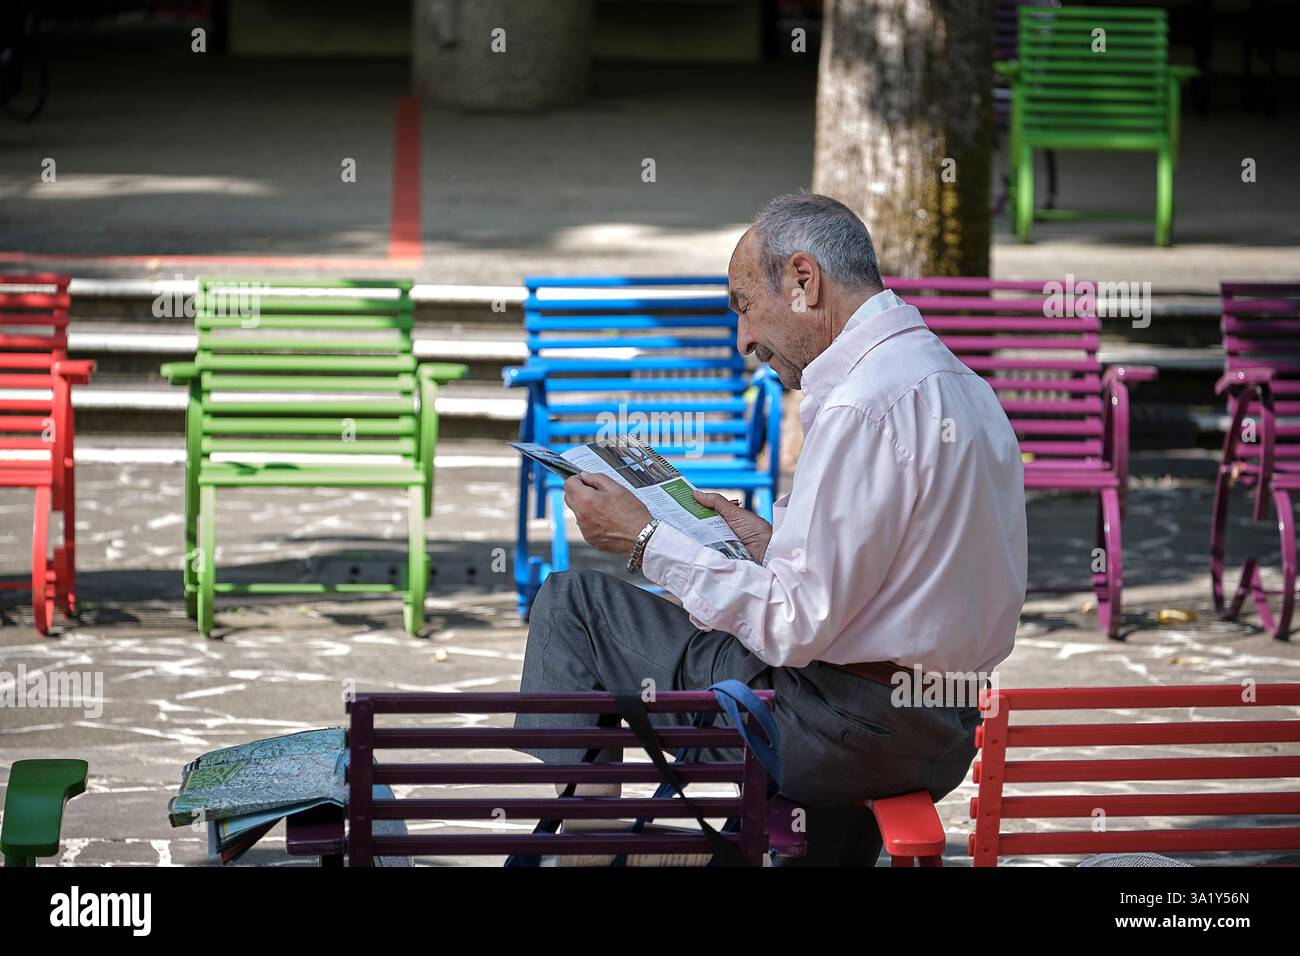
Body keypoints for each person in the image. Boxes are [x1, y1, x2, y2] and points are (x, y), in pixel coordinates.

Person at [513, 192, 1028, 865]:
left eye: (744, 306)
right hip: (946, 725)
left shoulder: (864, 405)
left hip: (843, 732)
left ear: (804, 282)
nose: (745, 339)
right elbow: (898, 570)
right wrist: (764, 541)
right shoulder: (959, 385)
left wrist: (647, 542)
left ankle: (582, 847)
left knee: (576, 606)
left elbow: (794, 626)